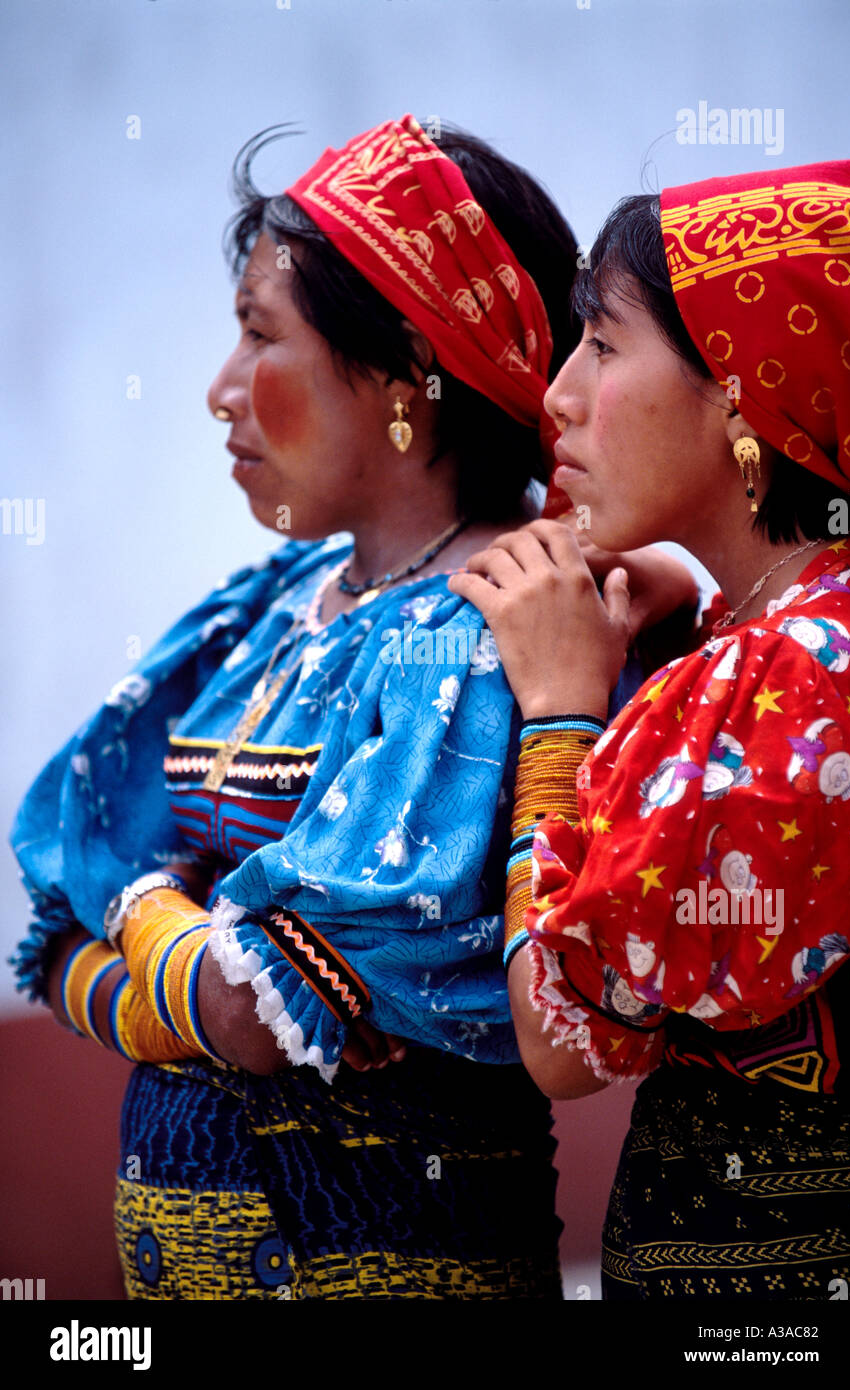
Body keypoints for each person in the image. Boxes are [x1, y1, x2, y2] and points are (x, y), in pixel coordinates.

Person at [10, 115, 696, 1300]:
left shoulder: (494, 628)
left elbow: (251, 1005)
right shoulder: (266, 607)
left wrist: (132, 915)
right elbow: (60, 894)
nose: (218, 393)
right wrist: (165, 942)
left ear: (400, 380)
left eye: (257, 337)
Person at [450, 159, 850, 1300]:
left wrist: (560, 709)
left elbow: (561, 1037)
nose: (558, 395)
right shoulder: (804, 633)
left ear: (740, 391)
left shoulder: (780, 676)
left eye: (601, 343)